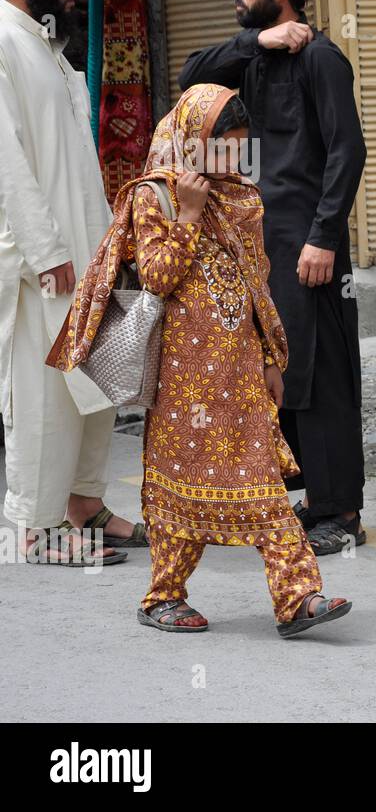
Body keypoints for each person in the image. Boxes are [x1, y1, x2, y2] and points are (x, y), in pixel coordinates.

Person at [50, 83, 352, 636]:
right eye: (221, 148)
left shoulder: (241, 199)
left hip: (239, 377)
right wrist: (188, 215)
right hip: (181, 384)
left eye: (238, 148)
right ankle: (162, 597)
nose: (231, 161)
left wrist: (268, 358)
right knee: (177, 500)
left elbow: (257, 284)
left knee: (267, 493)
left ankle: (299, 599)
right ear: (190, 140)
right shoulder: (154, 196)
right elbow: (159, 277)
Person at [177, 0, 367, 555]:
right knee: (281, 372)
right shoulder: (250, 59)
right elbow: (188, 77)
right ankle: (311, 498)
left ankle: (342, 509)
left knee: (323, 371)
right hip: (260, 247)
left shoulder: (323, 61)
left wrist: (323, 237)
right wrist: (255, 45)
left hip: (309, 246)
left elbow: (347, 151)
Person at [0, 0, 145, 565]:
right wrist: (44, 248)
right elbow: (4, 159)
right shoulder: (3, 41)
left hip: (84, 250)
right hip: (42, 259)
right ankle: (33, 528)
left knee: (96, 381)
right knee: (43, 395)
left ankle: (85, 503)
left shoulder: (43, 41)